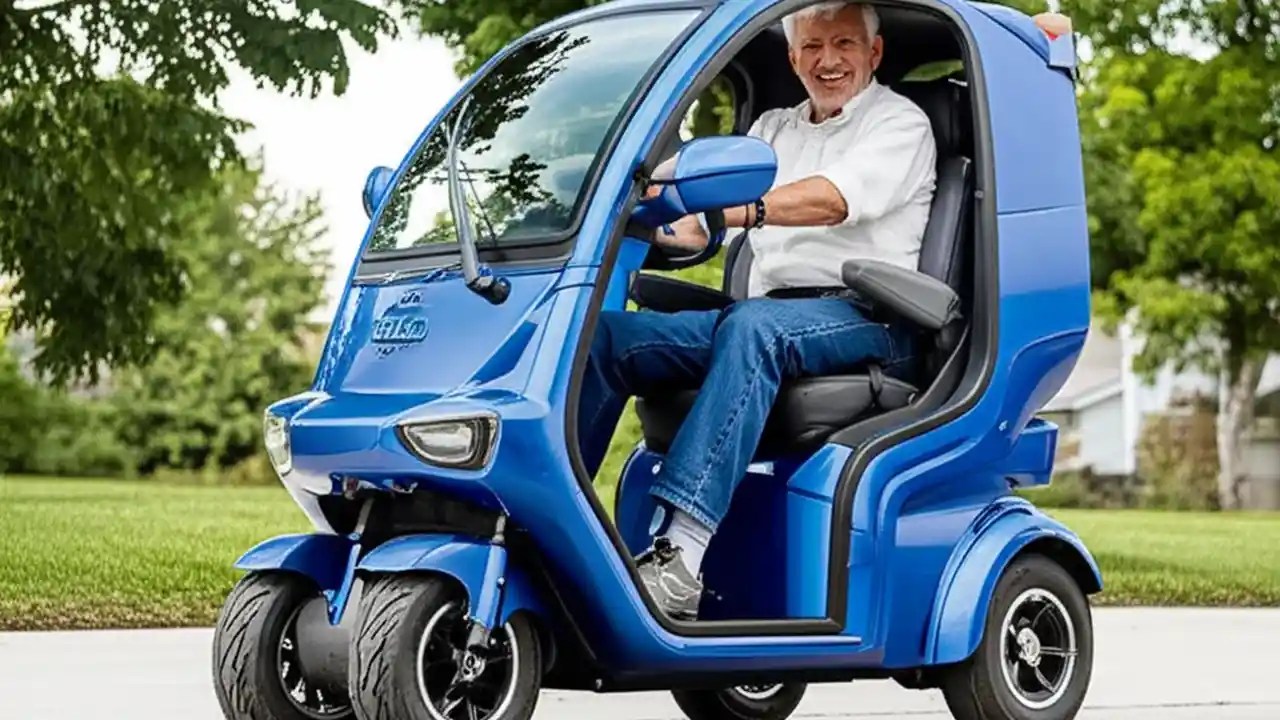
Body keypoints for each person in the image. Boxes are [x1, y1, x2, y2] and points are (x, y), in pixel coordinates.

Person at [578, 0, 938, 620]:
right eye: (813, 46)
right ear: (793, 56)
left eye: (845, 44)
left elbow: (831, 199)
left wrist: (738, 210)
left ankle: (679, 559)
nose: (829, 60)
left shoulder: (899, 124)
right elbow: (700, 224)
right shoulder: (773, 129)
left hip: (872, 316)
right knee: (608, 337)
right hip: (771, 317)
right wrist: (641, 216)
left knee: (752, 328)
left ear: (873, 54)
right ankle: (558, 529)